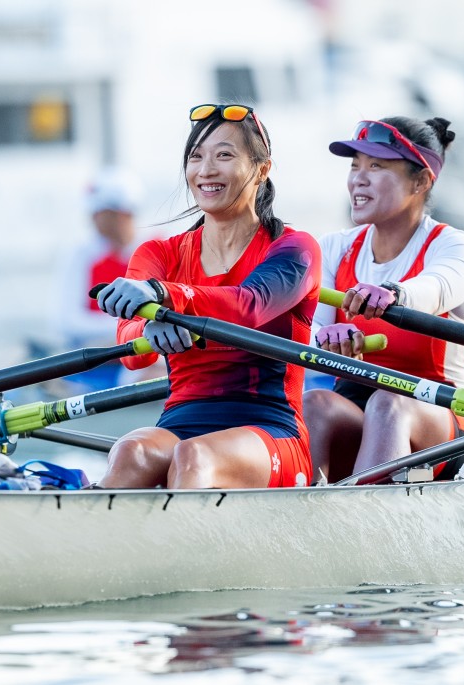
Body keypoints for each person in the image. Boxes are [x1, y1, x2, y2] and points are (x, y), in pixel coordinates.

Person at [94, 103, 321, 489]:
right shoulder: (158, 254)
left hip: (270, 426)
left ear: (262, 170)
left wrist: (165, 295)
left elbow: (249, 306)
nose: (206, 170)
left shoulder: (295, 249)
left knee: (195, 456)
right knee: (130, 451)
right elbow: (131, 348)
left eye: (224, 156)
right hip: (181, 418)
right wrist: (148, 334)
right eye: (196, 157)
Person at [304, 116, 464, 483]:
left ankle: (363, 521)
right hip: (357, 408)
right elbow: (310, 332)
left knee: (388, 404)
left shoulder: (455, 247)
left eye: (376, 166)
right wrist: (325, 341)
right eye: (355, 166)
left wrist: (394, 294)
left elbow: (438, 287)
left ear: (420, 181)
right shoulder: (334, 248)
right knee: (313, 404)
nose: (359, 177)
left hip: (450, 420)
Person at [54, 167, 146, 348]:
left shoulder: (154, 248)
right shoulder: (80, 254)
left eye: (100, 212)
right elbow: (66, 322)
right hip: (97, 359)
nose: (92, 218)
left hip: (143, 355)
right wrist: (135, 326)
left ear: (123, 214)